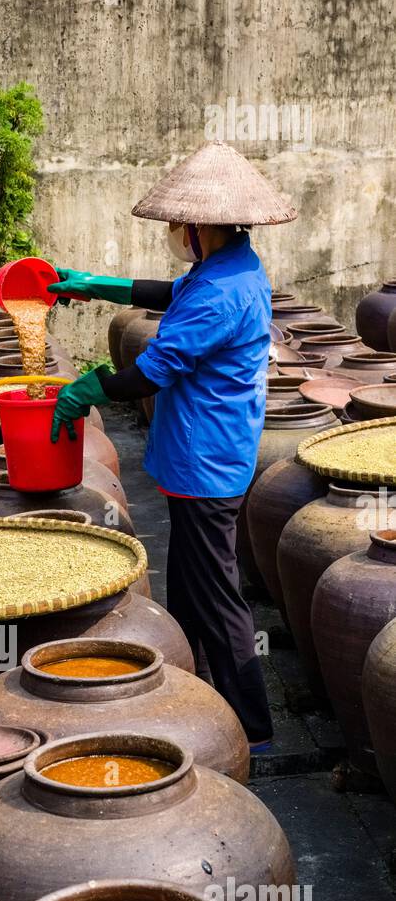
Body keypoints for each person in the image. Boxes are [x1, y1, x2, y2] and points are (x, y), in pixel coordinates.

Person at [47, 141, 297, 751]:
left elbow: (153, 371)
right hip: (208, 451)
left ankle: (253, 730)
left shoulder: (220, 293)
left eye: (177, 225)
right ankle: (196, 698)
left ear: (196, 226)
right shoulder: (230, 264)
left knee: (217, 594)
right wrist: (98, 284)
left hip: (207, 460)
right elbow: (172, 293)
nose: (173, 233)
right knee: (189, 588)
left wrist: (87, 390)